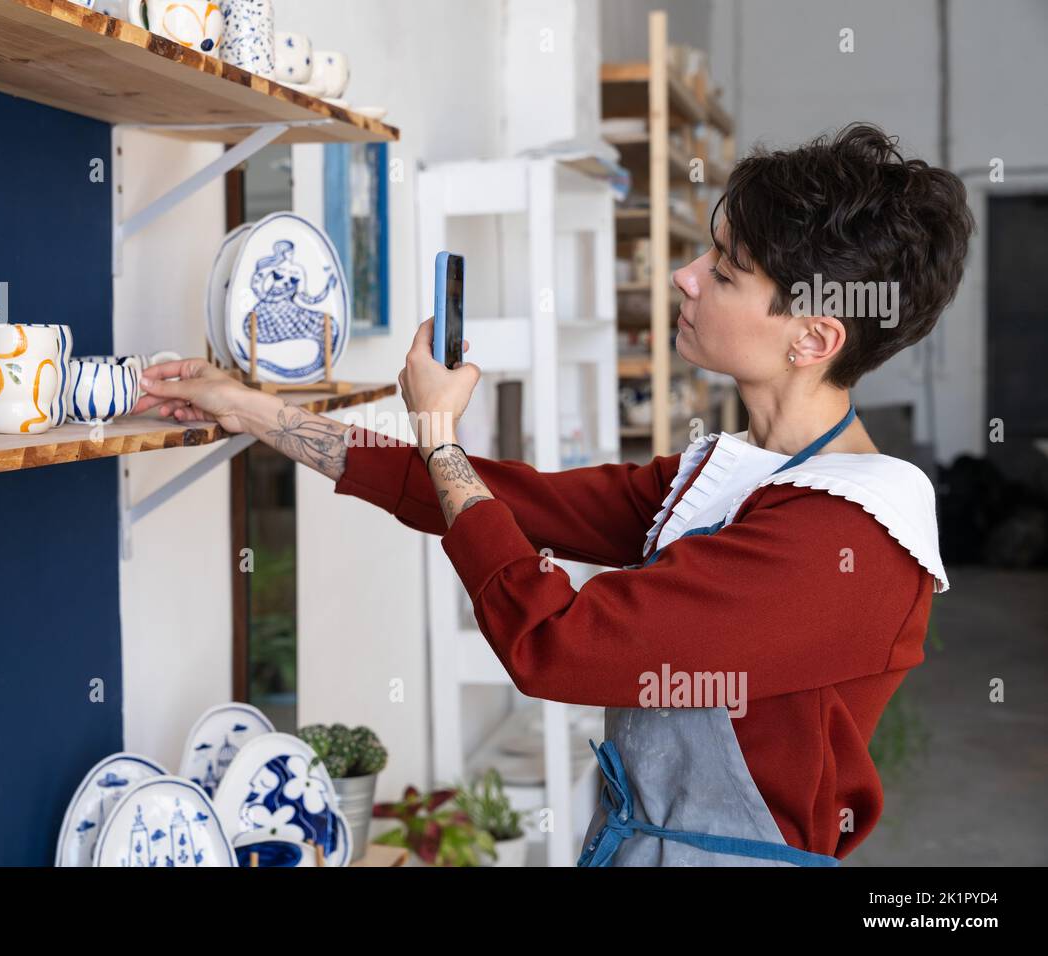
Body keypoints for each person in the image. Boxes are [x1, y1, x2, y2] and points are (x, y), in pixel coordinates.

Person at [132, 123, 975, 866]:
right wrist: (247, 407)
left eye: (726, 270)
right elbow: (487, 499)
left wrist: (440, 434)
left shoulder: (850, 541)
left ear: (814, 336)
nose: (686, 276)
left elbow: (558, 645)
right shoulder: (736, 473)